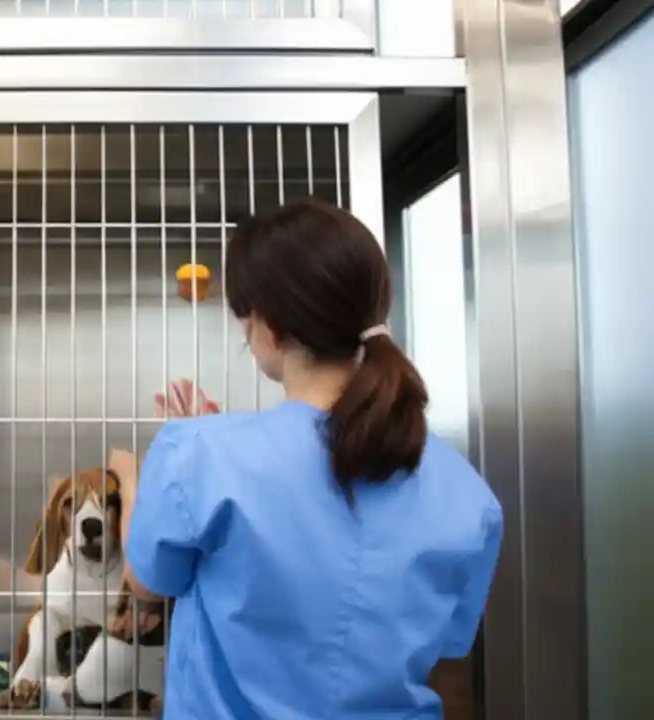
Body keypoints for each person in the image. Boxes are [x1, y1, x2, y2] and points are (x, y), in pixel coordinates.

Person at [109, 199, 503, 719]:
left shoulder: (198, 453)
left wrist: (132, 476)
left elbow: (147, 580)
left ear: (268, 326)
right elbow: (448, 642)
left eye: (243, 321)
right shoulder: (467, 492)